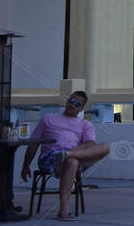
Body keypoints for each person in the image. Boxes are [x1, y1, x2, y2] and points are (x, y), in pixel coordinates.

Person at [19, 90, 109, 218]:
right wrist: (25, 165)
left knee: (105, 147)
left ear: (82, 108)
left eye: (77, 104)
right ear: (67, 101)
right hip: (50, 158)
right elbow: (34, 143)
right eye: (71, 101)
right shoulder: (48, 118)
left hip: (72, 155)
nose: (73, 105)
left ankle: (67, 154)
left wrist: (71, 152)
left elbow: (90, 145)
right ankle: (64, 210)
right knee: (73, 161)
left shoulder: (85, 124)